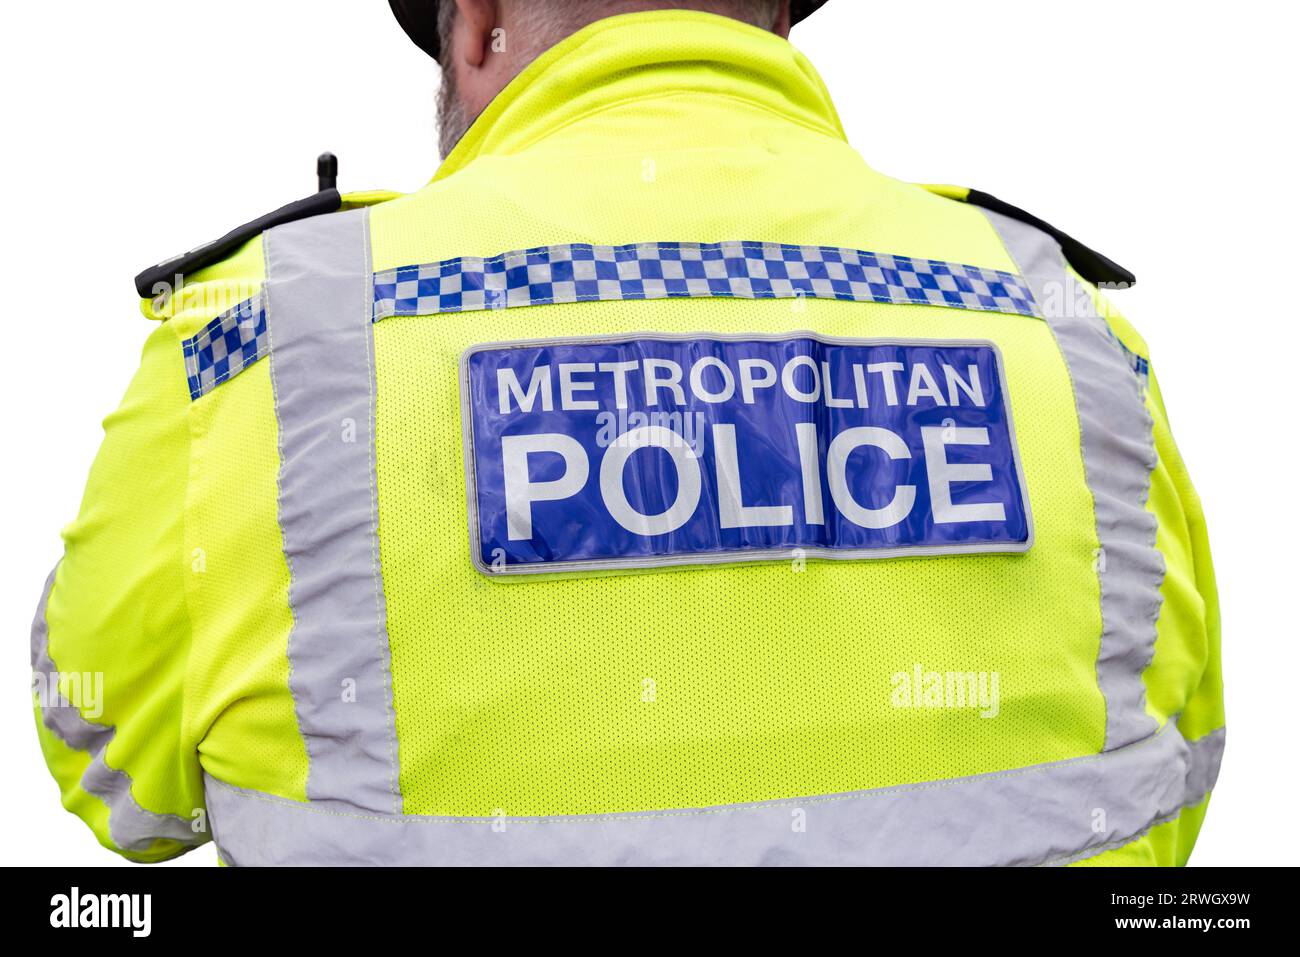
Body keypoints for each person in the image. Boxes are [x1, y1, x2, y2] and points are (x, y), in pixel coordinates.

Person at [31, 0, 1223, 865]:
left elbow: (114, 768)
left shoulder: (269, 329)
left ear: (480, 30)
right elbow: (1174, 769)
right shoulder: (1060, 320)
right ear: (774, 29)